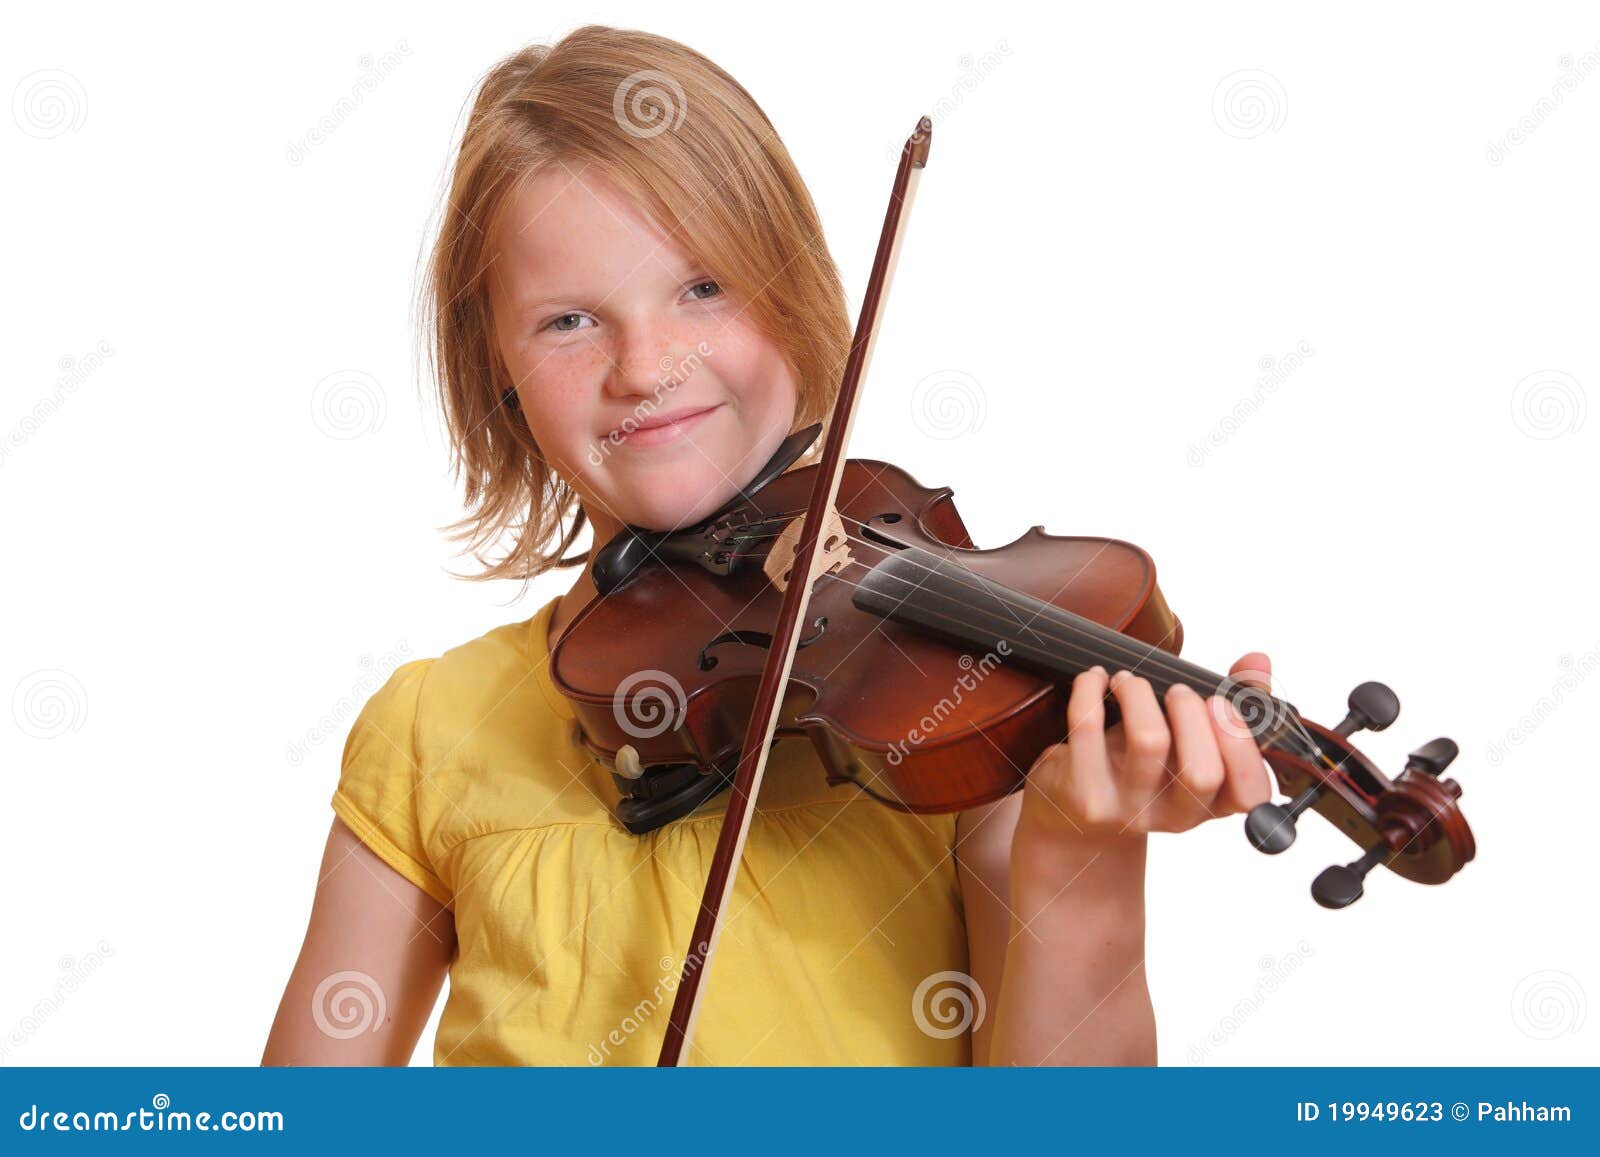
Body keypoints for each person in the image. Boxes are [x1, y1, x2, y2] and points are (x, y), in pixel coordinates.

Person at [263, 24, 1273, 1067]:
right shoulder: (433, 729)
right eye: (568, 321)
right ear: (497, 372)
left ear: (794, 298)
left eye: (704, 288)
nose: (646, 366)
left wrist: (1084, 866)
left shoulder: (950, 708)